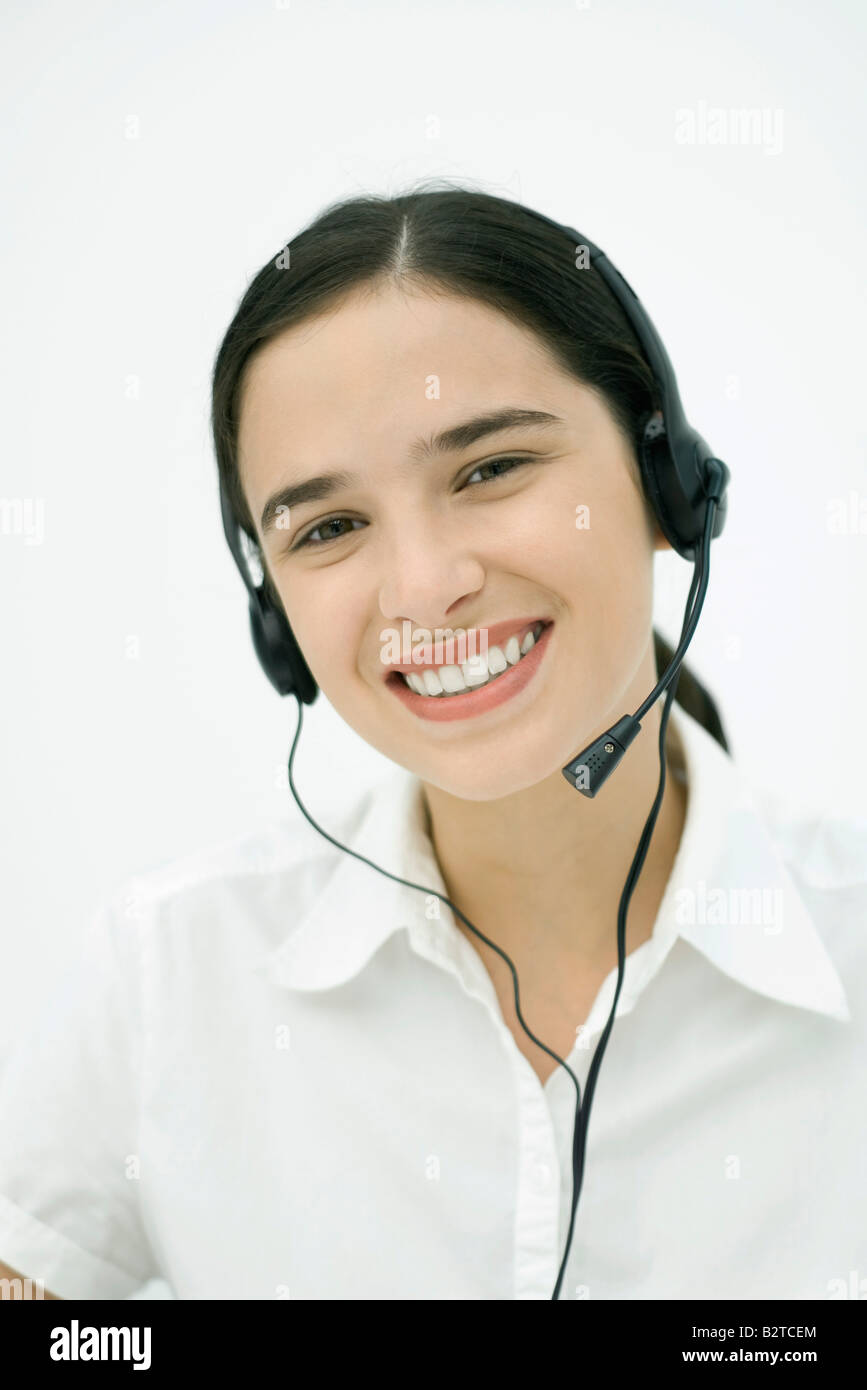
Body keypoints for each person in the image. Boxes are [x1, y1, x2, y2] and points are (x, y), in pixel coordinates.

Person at [0, 184, 864, 1301]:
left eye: (490, 468)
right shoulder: (170, 978)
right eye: (330, 527)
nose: (423, 587)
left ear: (668, 483)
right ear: (278, 621)